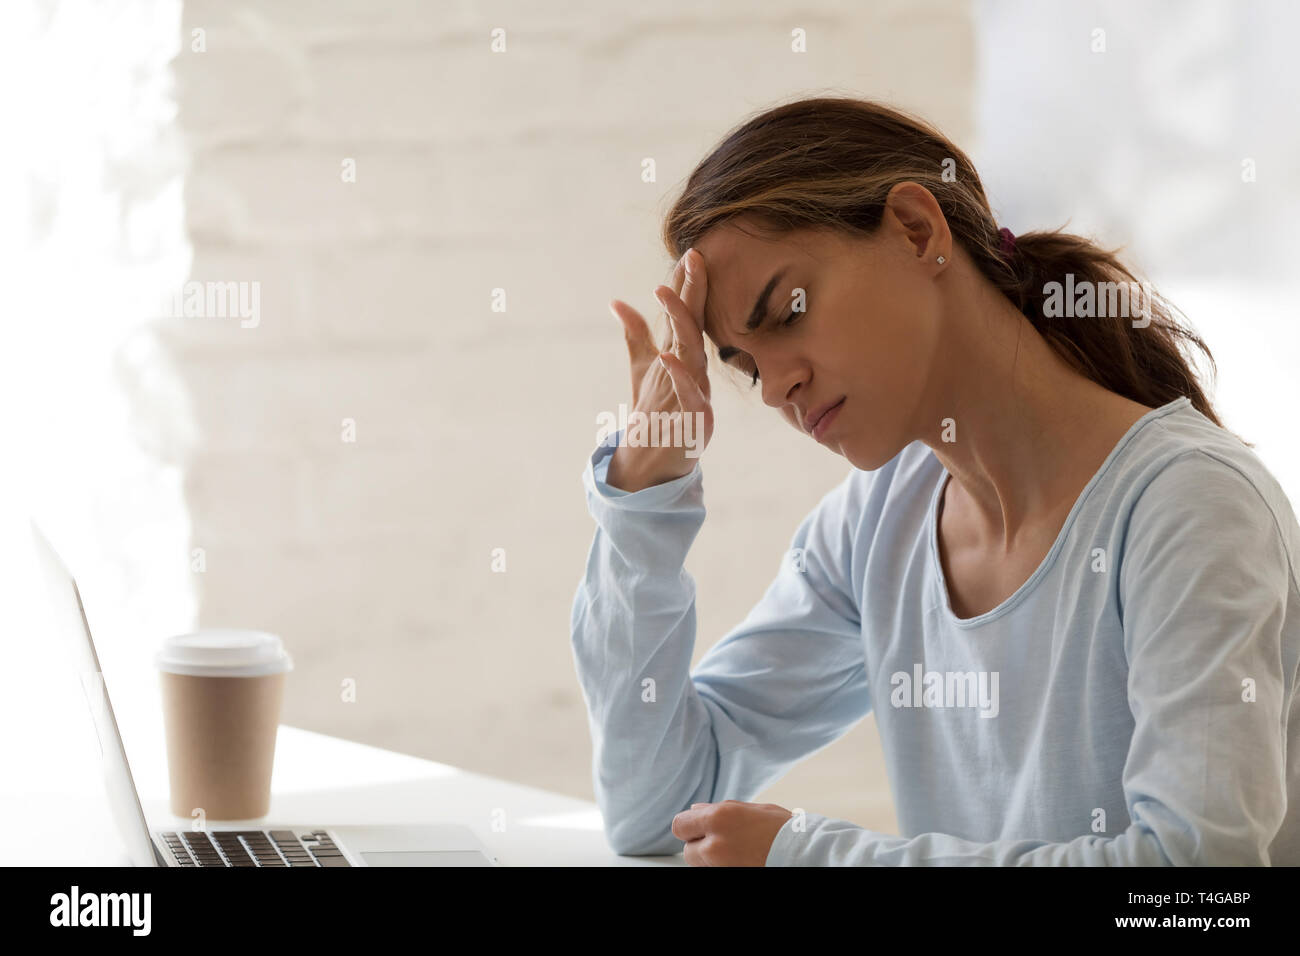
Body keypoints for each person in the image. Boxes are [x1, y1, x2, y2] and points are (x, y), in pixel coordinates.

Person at [569, 96, 1300, 865]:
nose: (777, 386)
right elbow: (654, 808)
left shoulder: (1189, 507)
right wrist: (643, 491)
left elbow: (1193, 884)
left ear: (917, 231)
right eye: (744, 365)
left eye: (787, 312)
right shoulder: (873, 526)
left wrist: (814, 858)